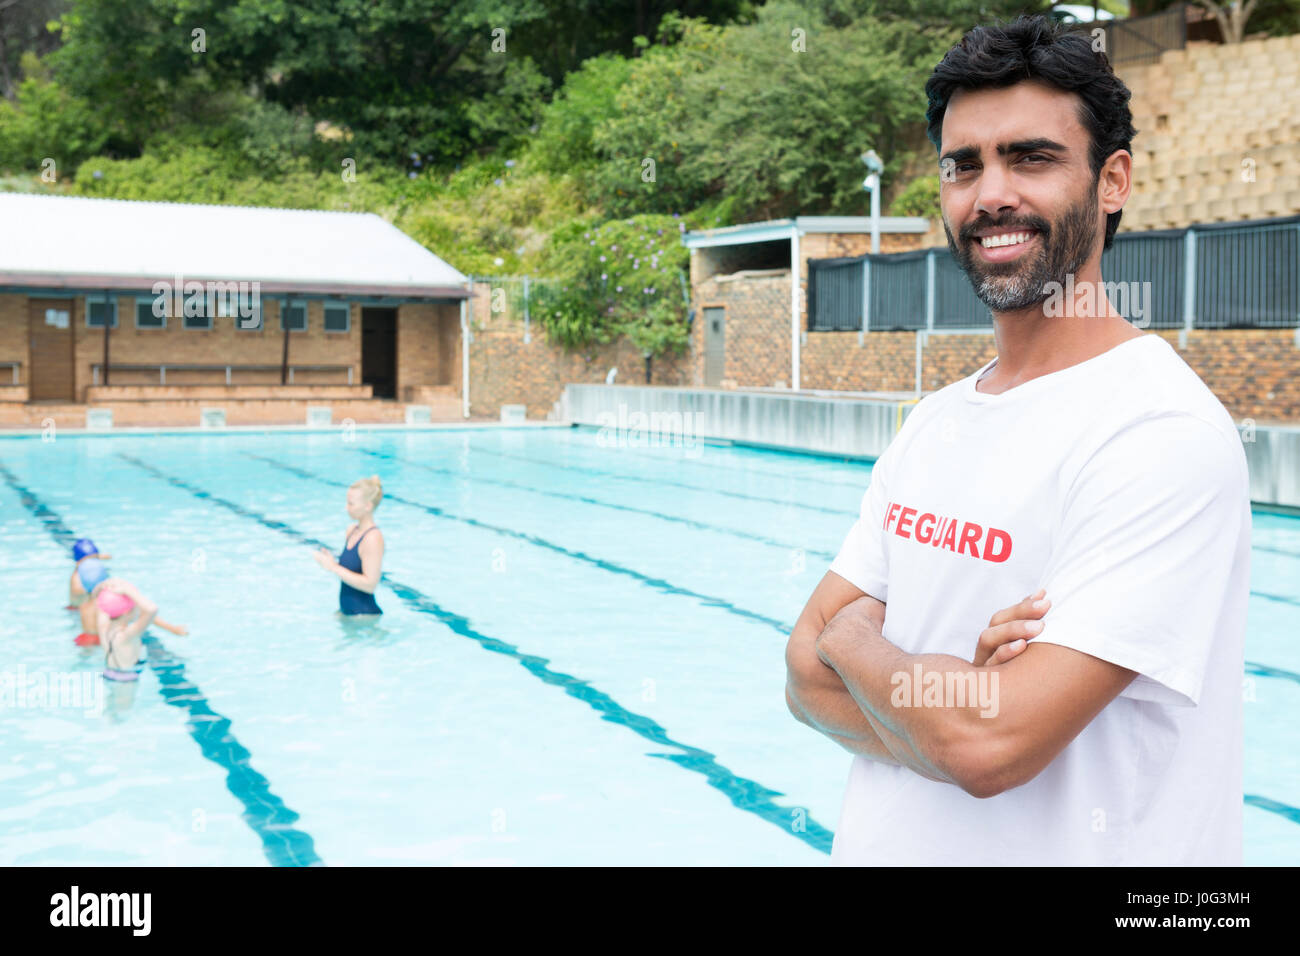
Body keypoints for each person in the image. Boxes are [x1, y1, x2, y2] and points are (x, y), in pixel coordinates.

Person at [785, 15, 1249, 866]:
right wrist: (941, 702)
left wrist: (855, 643)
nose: (990, 193)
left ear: (1112, 182)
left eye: (1030, 157)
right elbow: (800, 681)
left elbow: (987, 746)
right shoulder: (933, 424)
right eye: (964, 165)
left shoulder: (1157, 432)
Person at [70, 549, 186, 645]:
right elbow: (147, 613)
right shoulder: (106, 605)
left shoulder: (83, 602)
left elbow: (83, 569)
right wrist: (172, 629)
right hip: (104, 640)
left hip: (84, 639)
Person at [315, 475, 384, 615]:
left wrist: (333, 567)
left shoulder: (373, 538)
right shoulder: (352, 531)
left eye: (351, 504)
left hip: (365, 617)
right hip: (348, 614)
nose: (346, 508)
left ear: (367, 506)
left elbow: (370, 585)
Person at [88, 576, 160, 682]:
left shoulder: (103, 627)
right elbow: (152, 609)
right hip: (125, 681)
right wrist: (128, 591)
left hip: (109, 674)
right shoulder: (126, 635)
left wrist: (101, 587)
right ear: (127, 612)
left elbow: (97, 600)